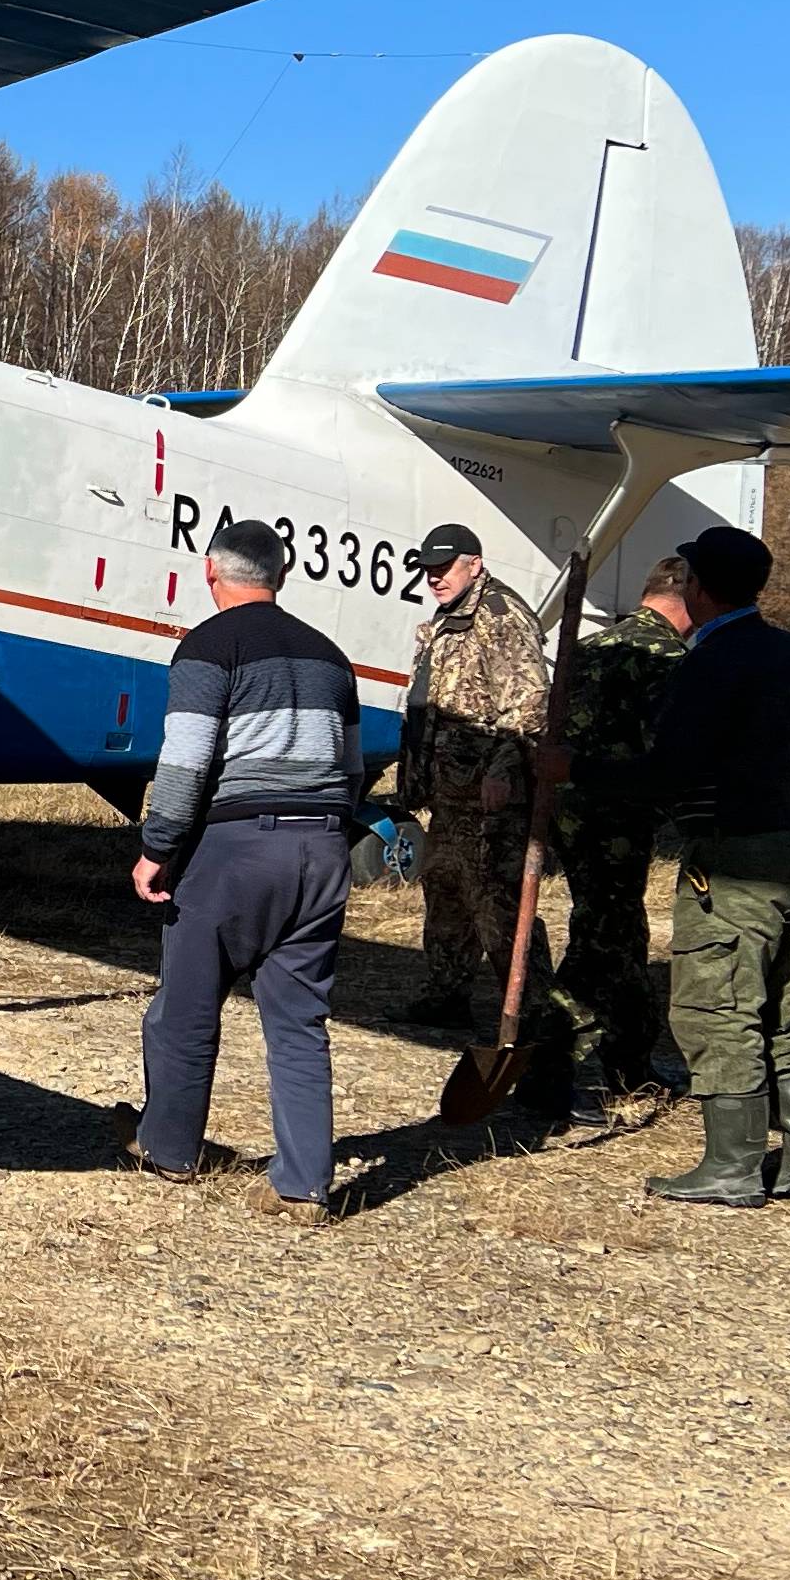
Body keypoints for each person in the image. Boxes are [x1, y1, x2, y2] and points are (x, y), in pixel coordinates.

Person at [538, 525, 790, 1208]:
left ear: (697, 587)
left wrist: (573, 768)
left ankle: (732, 1166)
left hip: (731, 856)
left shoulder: (708, 663)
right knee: (773, 1008)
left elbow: (666, 771)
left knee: (716, 1008)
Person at [128, 518, 362, 1225]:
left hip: (239, 845)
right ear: (281, 576)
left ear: (211, 571)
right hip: (322, 846)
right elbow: (350, 766)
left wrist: (158, 844)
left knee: (188, 1006)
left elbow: (188, 758)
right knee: (298, 1021)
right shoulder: (330, 656)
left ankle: (168, 1149)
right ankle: (304, 1186)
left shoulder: (209, 646)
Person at [391, 524, 556, 1056]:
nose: (435, 577)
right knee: (446, 891)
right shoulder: (447, 619)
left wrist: (503, 769)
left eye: (445, 567)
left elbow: (529, 703)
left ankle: (533, 1013)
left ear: (475, 564)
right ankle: (446, 994)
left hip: (489, 796)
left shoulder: (501, 617)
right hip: (449, 792)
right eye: (428, 569)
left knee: (499, 902)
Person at [551, 556, 695, 1118]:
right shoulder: (665, 659)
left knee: (621, 932)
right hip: (615, 817)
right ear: (685, 600)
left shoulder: (592, 648)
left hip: (568, 815)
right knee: (600, 944)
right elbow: (667, 755)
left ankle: (630, 1063)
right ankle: (545, 1061)